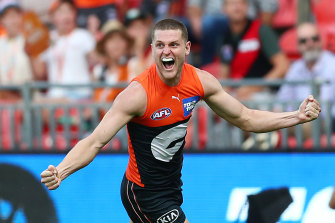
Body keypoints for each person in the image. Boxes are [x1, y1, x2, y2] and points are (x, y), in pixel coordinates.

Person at [40, 18, 321, 223]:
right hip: (143, 193)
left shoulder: (200, 82)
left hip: (173, 188)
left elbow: (246, 118)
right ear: (151, 49)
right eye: (160, 45)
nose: (166, 51)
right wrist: (61, 171)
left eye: (173, 44)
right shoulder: (137, 95)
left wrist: (295, 116)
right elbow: (95, 141)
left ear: (186, 48)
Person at [219, 0, 289, 100]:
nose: (237, 8)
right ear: (224, 9)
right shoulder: (225, 38)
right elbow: (224, 75)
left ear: (247, 7)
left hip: (264, 93)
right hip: (237, 94)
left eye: (241, 3)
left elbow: (283, 66)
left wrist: (254, 88)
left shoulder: (261, 30)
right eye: (232, 4)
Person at [30, 0, 96, 102]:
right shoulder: (46, 39)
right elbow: (39, 74)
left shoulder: (83, 35)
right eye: (61, 12)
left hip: (79, 94)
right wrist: (31, 53)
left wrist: (94, 33)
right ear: (52, 17)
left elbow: (96, 61)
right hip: (55, 95)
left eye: (69, 11)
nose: (66, 16)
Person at [277, 23, 335, 138]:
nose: (310, 44)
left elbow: (323, 108)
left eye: (314, 39)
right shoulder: (295, 68)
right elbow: (282, 100)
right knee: (268, 118)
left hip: (329, 121)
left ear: (321, 41)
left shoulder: (332, 65)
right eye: (304, 41)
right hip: (301, 119)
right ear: (298, 46)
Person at [0, 0, 32, 101]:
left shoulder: (30, 40)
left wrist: (32, 55)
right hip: (4, 99)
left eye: (16, 15)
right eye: (9, 16)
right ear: (2, 20)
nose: (14, 20)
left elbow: (40, 74)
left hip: (26, 97)